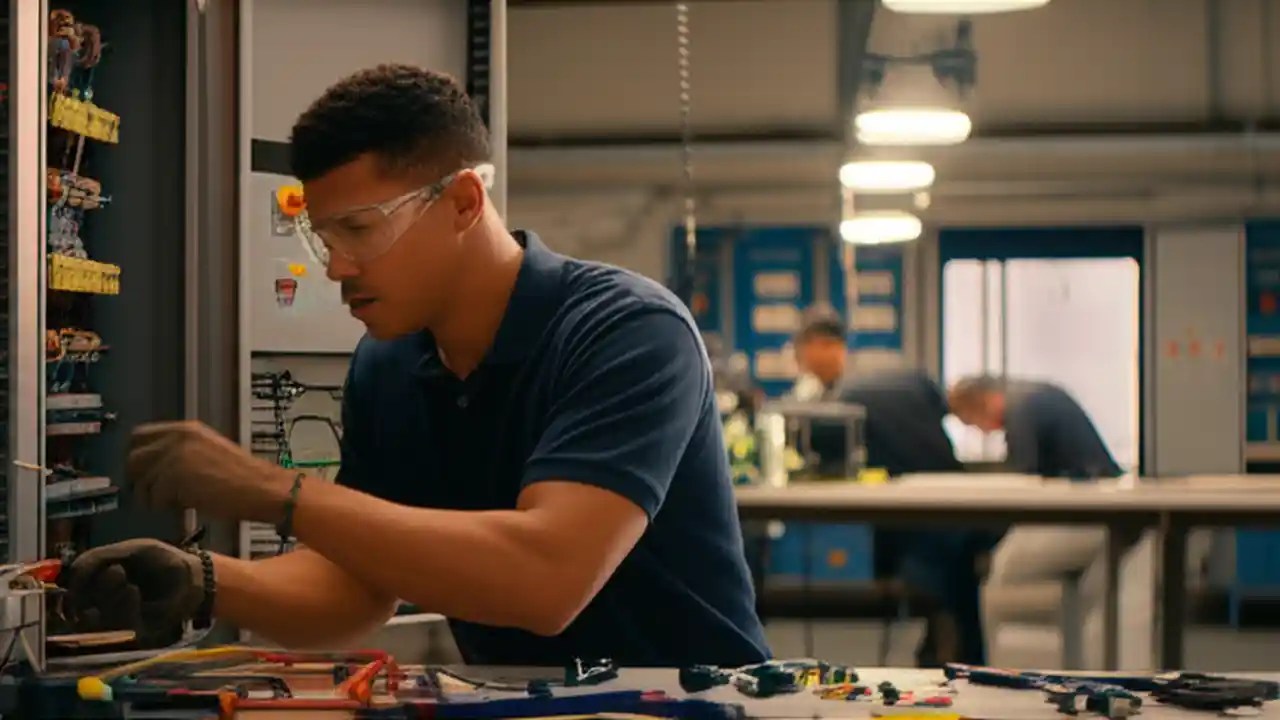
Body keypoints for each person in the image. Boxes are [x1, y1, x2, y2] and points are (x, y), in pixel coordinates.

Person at [61, 64, 770, 667]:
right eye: (322, 237)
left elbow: (547, 580)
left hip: (690, 706)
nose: (337, 266)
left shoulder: (628, 331)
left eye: (360, 229)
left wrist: (271, 491)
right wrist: (204, 580)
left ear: (463, 201)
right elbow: (355, 590)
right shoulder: (389, 366)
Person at [790, 307, 992, 666]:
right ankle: (957, 661)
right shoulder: (909, 375)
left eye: (802, 355)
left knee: (934, 592)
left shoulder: (841, 403)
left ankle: (943, 659)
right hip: (958, 503)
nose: (802, 364)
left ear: (819, 347)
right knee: (960, 602)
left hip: (918, 521)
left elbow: (828, 467)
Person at [947, 375, 1123, 479]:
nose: (984, 432)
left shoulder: (1021, 412)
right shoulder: (1032, 397)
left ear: (985, 403)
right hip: (1096, 485)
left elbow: (1024, 475)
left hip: (1093, 501)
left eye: (975, 423)